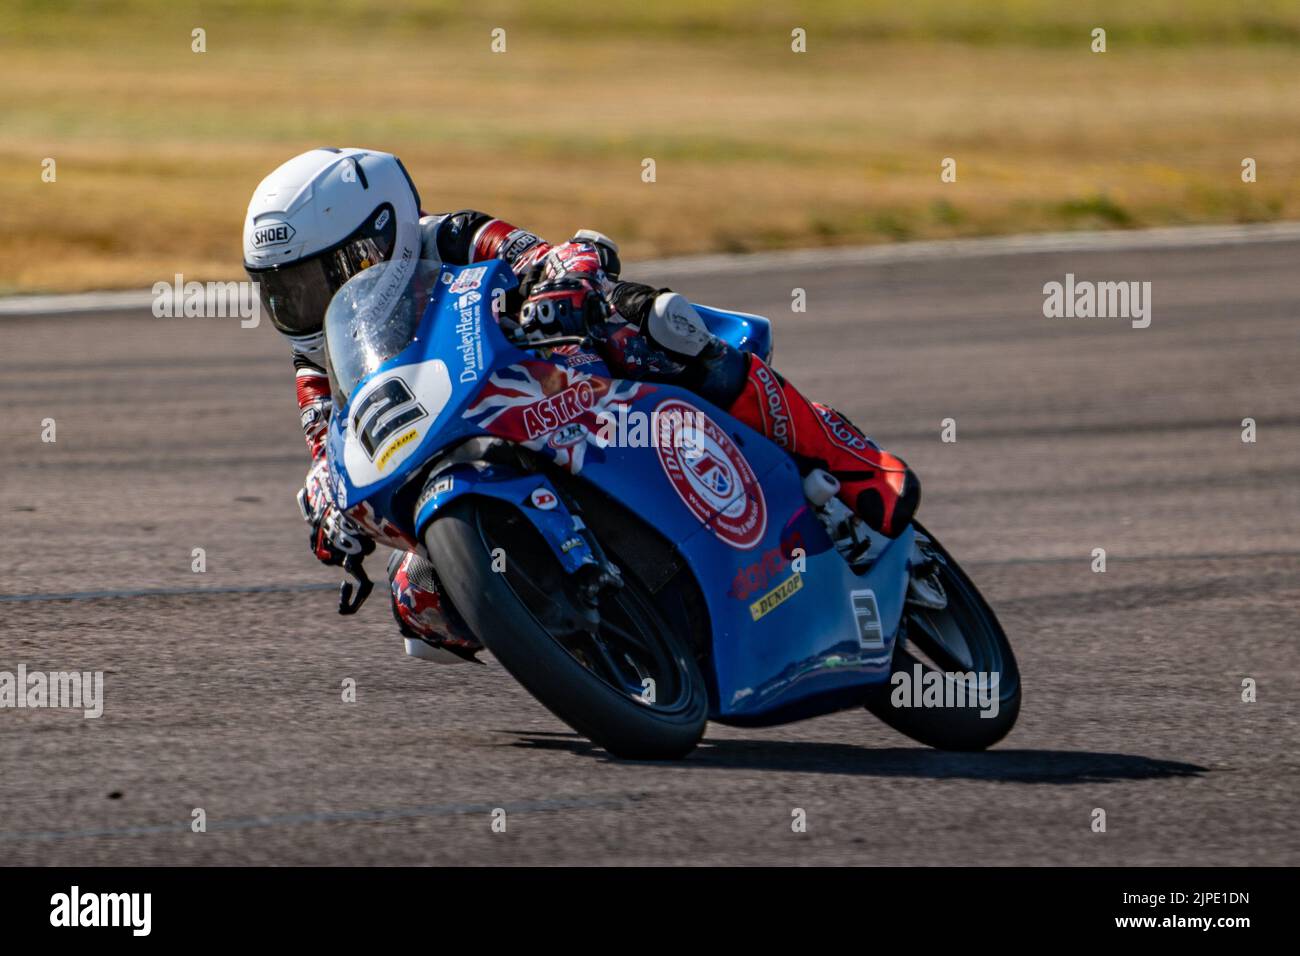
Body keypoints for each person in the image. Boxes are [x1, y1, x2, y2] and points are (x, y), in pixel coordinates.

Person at [243, 147, 920, 660]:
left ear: (380, 234)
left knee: (654, 324)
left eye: (316, 280)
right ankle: (601, 651)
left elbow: (551, 250)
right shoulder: (320, 361)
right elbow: (333, 445)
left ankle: (849, 462)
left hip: (556, 377)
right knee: (417, 607)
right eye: (282, 290)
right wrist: (330, 507)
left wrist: (564, 280)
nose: (303, 306)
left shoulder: (449, 235)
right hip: (465, 452)